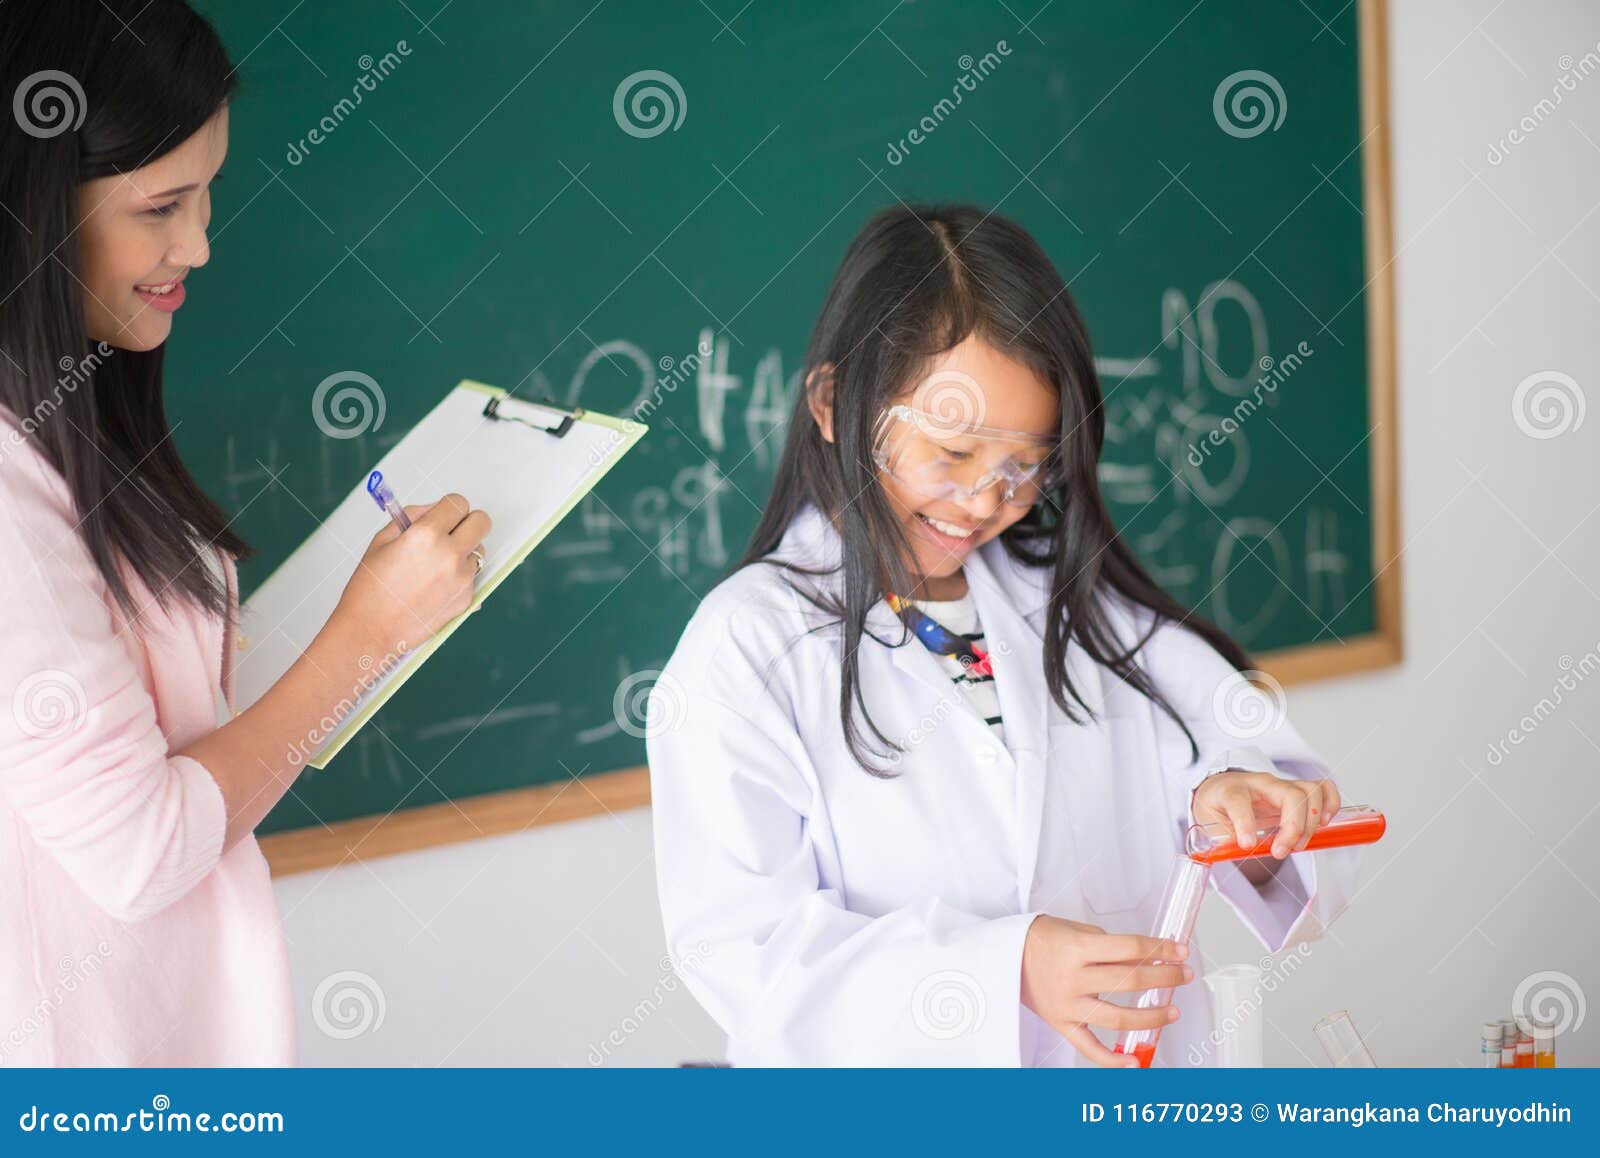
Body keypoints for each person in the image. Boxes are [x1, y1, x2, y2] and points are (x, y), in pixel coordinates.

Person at [648, 204, 1360, 1066]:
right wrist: (1004, 967)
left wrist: (1244, 808)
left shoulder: (1087, 606)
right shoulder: (748, 647)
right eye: (952, 454)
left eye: (1025, 464)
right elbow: (744, 958)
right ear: (836, 405)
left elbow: (1252, 777)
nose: (987, 499)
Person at [0, 0, 489, 1064]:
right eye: (162, 206)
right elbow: (137, 850)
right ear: (30, 208)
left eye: (207, 195)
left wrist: (366, 619)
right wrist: (367, 635)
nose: (201, 246)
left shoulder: (63, 423)